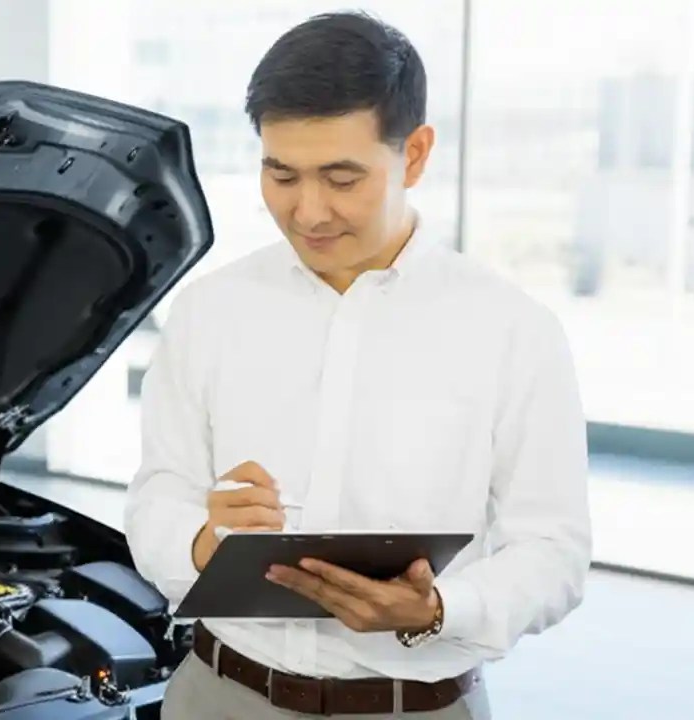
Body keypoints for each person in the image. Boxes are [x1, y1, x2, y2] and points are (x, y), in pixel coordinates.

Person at [123, 10, 591, 720]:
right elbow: (156, 494)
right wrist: (199, 539)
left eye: (342, 178)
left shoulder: (513, 331)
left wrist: (438, 606)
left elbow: (553, 554)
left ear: (417, 154)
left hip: (418, 706)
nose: (308, 211)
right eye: (280, 173)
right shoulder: (209, 311)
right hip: (217, 695)